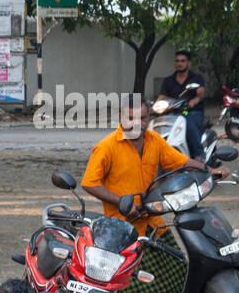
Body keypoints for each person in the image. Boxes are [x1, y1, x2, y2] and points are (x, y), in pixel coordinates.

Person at [82, 97, 228, 236]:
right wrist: (121, 202)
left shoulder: (154, 141)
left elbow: (182, 162)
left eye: (142, 118)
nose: (137, 123)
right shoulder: (106, 147)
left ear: (149, 117)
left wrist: (211, 170)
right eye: (131, 118)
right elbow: (89, 183)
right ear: (121, 117)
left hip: (151, 221)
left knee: (178, 261)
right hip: (121, 227)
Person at [157, 50, 206, 158]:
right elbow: (161, 96)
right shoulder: (168, 80)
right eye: (177, 61)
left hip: (193, 112)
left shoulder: (197, 78)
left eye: (183, 61)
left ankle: (199, 154)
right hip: (173, 113)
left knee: (185, 122)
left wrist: (195, 100)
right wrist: (155, 105)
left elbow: (201, 94)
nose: (180, 63)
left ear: (189, 63)